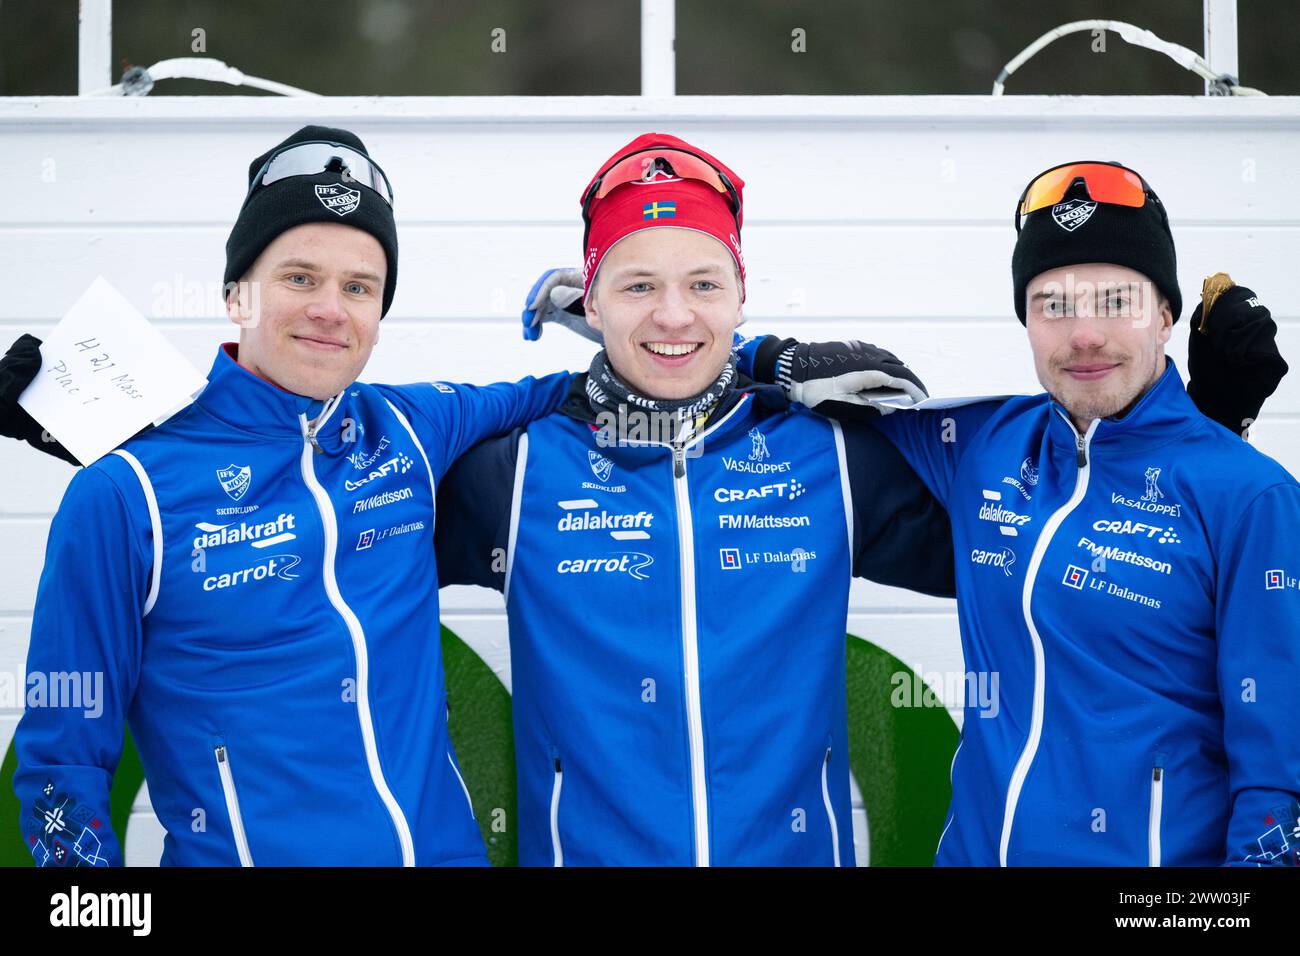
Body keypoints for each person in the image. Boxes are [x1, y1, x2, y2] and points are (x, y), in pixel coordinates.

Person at [525, 160, 1297, 866]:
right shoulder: (986, 445)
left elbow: (1281, 787)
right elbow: (853, 388)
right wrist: (666, 327)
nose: (1085, 333)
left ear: (1166, 313)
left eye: (1116, 301)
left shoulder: (1251, 499)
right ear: (1024, 319)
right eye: (1052, 303)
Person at [7, 126, 571, 867]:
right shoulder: (121, 494)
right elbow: (60, 769)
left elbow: (571, 393)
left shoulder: (407, 425)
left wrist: (654, 320)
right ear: (238, 292)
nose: (331, 310)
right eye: (300, 278)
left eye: (359, 288)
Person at [433, 132, 954, 866]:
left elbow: (1022, 552)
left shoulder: (831, 458)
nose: (674, 316)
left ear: (741, 299)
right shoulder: (513, 472)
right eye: (637, 286)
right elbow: (338, 560)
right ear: (593, 302)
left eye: (704, 285)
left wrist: (764, 363)